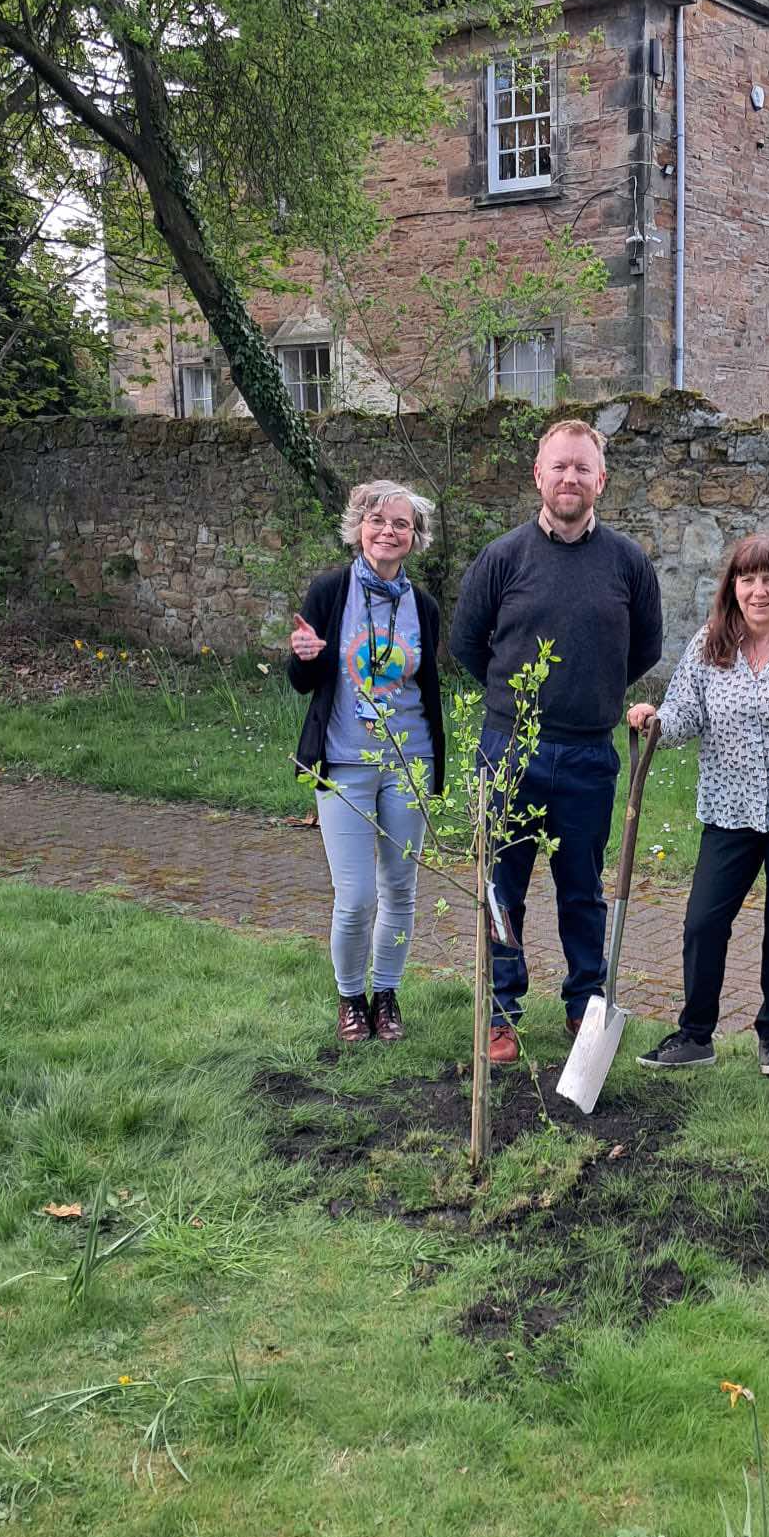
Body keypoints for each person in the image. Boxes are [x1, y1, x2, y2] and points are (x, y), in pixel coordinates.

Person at [451, 418, 662, 1063]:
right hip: (509, 749)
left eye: (582, 468)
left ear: (601, 479)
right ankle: (500, 1012)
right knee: (501, 888)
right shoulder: (503, 558)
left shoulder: (628, 562)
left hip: (589, 755)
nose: (569, 478)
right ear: (538, 476)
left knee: (581, 890)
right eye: (558, 467)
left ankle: (583, 1007)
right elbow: (466, 645)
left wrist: (588, 696)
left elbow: (644, 648)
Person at [626, 534, 769, 1077]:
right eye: (747, 579)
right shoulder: (710, 644)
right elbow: (685, 714)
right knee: (703, 924)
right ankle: (696, 1034)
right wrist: (656, 721)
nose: (758, 591)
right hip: (728, 812)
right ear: (732, 586)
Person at [288, 479, 445, 1045]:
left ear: (415, 537)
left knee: (400, 890)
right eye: (377, 520)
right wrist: (303, 656)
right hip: (346, 762)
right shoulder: (330, 592)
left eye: (401, 523)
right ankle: (350, 997)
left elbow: (426, 685)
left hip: (410, 761)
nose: (389, 531)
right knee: (355, 896)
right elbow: (304, 679)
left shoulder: (422, 606)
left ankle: (387, 996)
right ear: (358, 529)